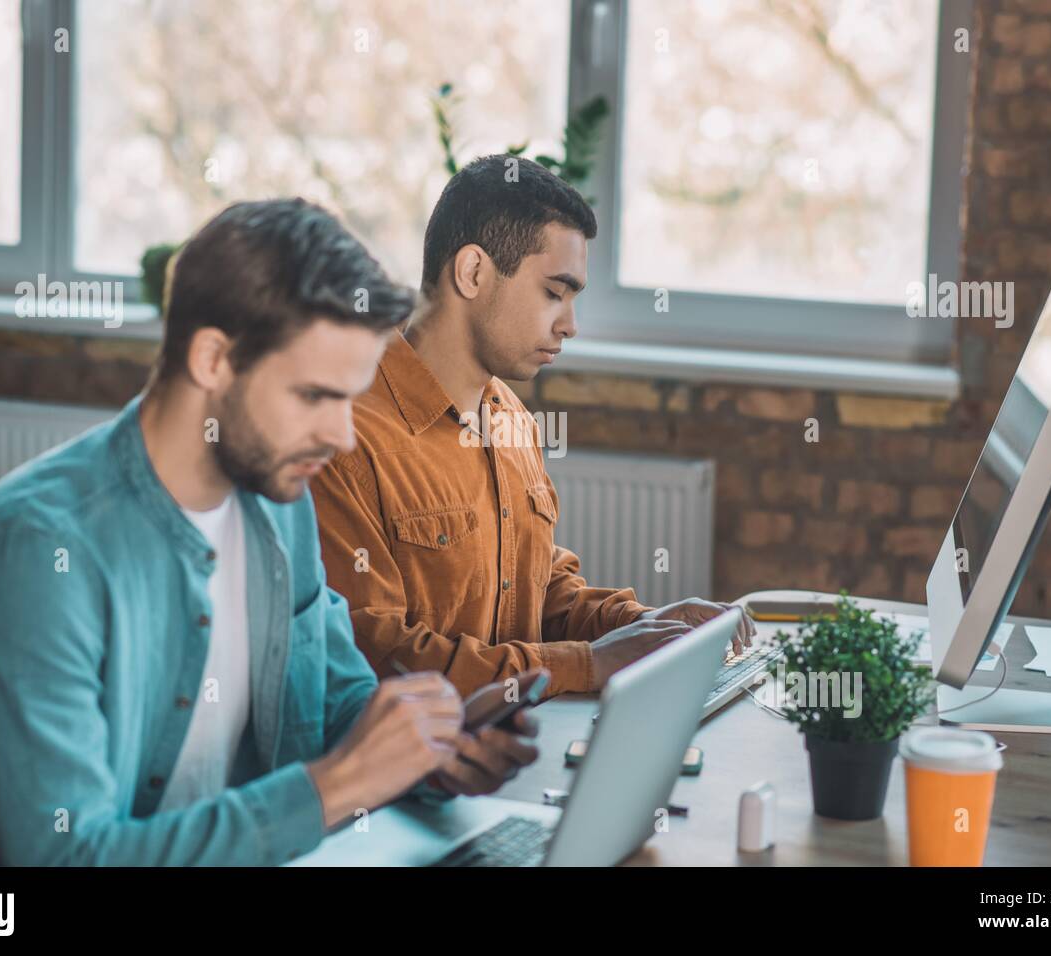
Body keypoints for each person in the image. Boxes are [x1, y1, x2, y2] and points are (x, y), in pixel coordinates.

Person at [0, 198, 538, 866]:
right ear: (213, 359)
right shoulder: (33, 557)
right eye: (315, 397)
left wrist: (430, 752)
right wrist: (339, 785)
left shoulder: (278, 501)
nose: (343, 436)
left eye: (350, 400)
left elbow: (332, 699)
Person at [311, 156, 754, 699]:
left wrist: (649, 627)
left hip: (519, 742)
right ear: (472, 272)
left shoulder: (512, 419)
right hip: (421, 768)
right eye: (554, 292)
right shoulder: (346, 436)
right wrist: (587, 665)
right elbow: (377, 657)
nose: (570, 325)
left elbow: (540, 595)